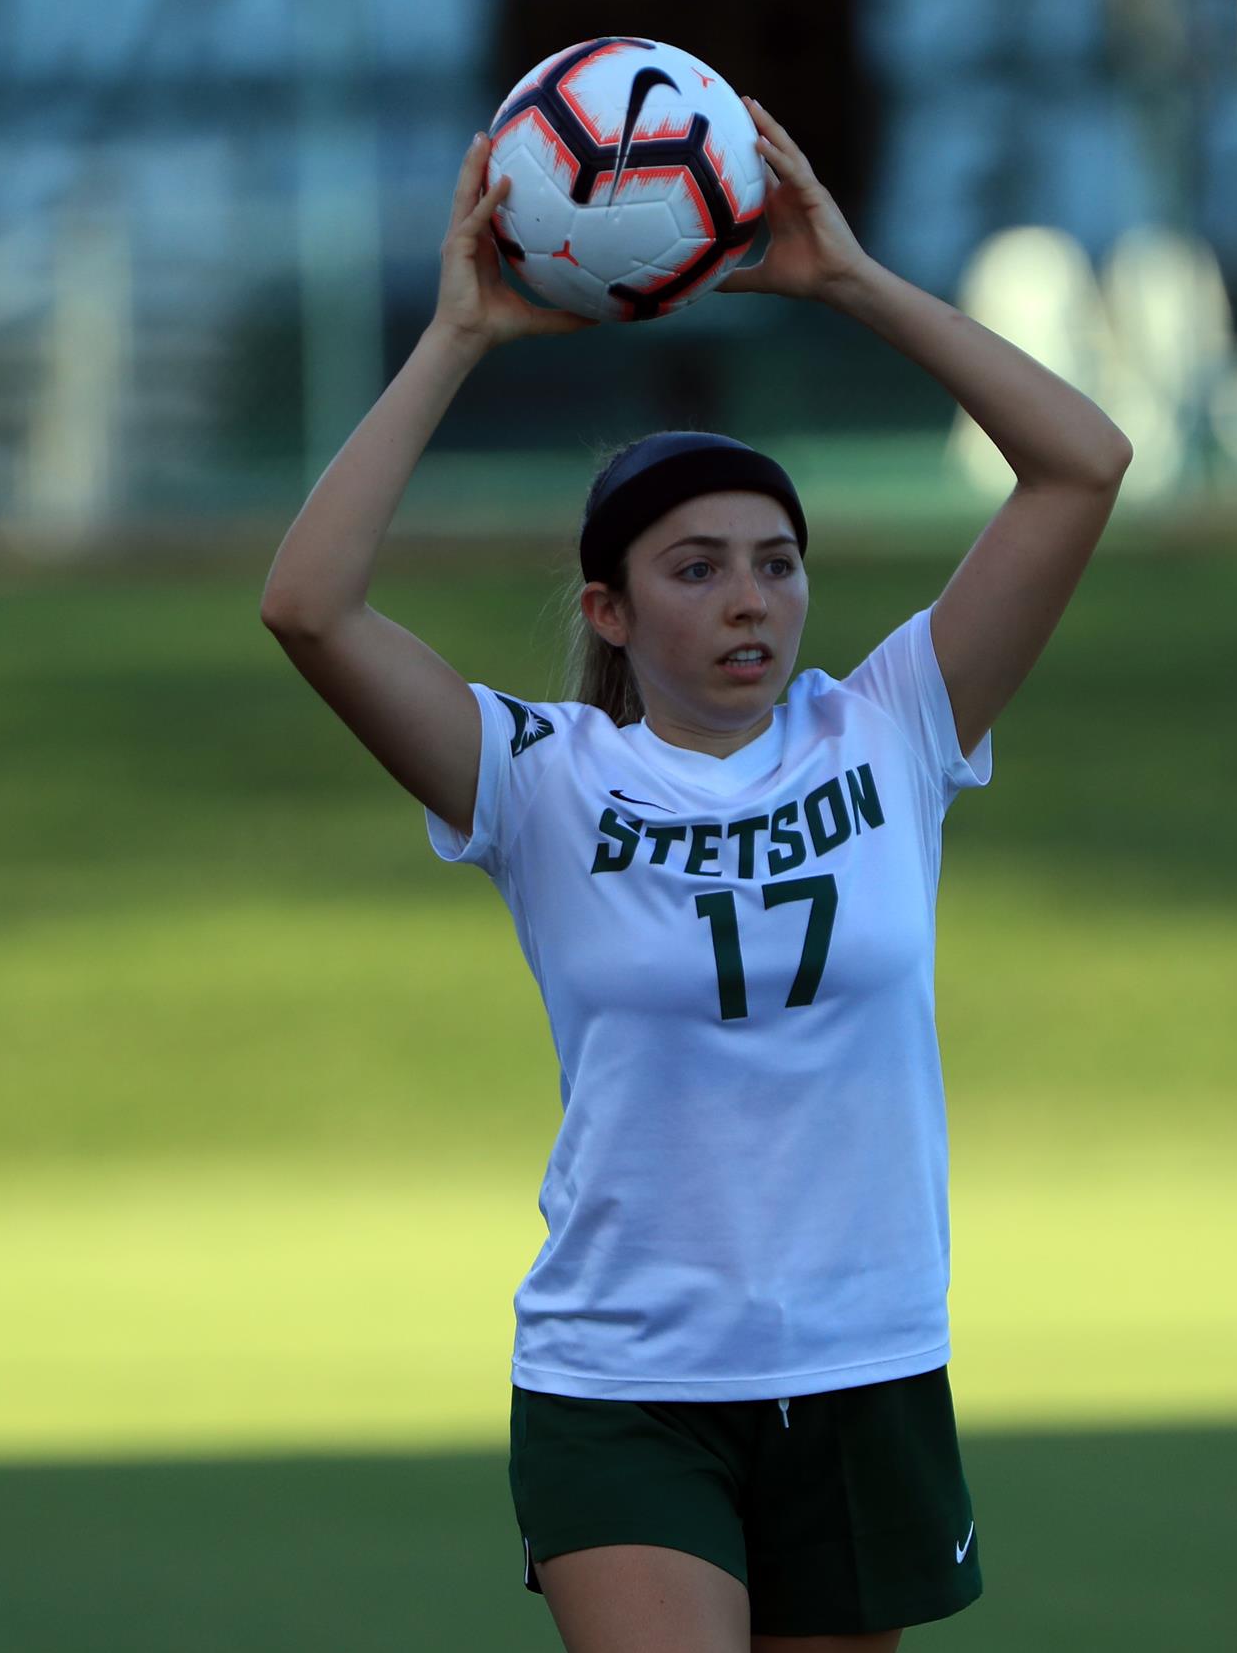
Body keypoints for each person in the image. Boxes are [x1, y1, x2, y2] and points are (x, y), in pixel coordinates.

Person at [259, 97, 1130, 1653]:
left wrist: (853, 282)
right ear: (607, 607)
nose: (752, 598)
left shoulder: (891, 729)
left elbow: (1080, 466)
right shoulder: (541, 779)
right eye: (698, 565)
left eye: (778, 560)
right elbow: (311, 607)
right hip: (626, 1379)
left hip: (865, 1361)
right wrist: (458, 338)